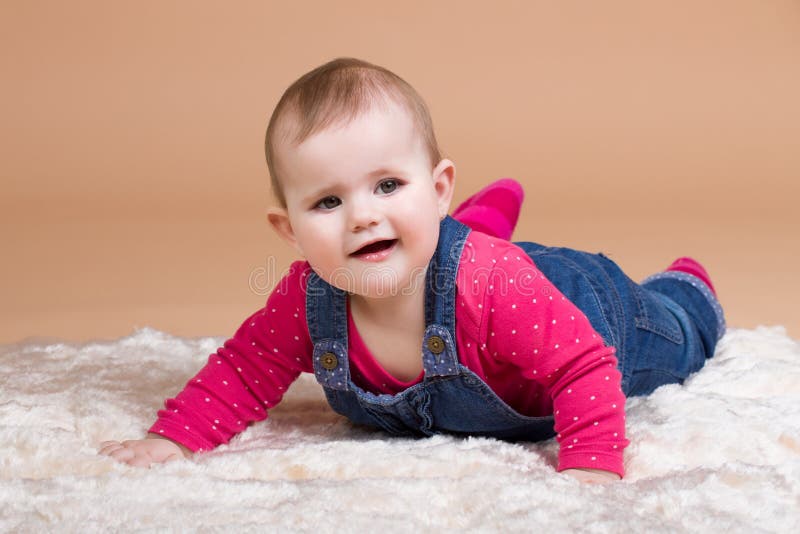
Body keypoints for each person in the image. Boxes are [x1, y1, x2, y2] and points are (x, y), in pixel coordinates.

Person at [99, 58, 725, 483]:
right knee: (430, 248)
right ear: (288, 229)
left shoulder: (497, 287)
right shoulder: (306, 299)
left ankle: (684, 287)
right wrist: (175, 439)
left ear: (437, 184)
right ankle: (466, 222)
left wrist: (590, 466)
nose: (362, 218)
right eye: (328, 201)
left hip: (585, 309)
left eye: (389, 185)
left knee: (679, 335)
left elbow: (585, 366)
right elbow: (242, 369)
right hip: (478, 278)